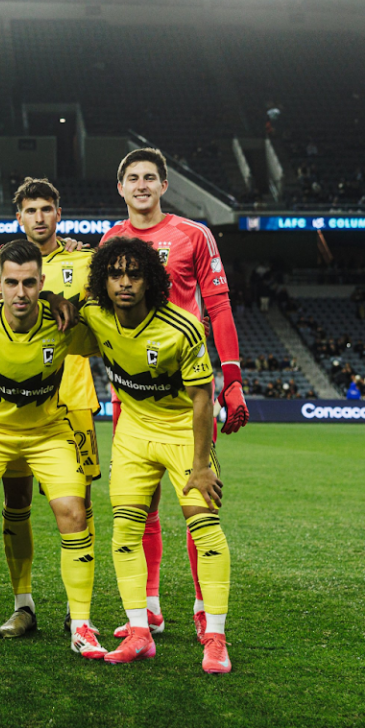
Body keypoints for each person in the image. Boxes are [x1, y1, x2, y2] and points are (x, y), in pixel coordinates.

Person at [99, 145, 246, 643]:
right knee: (139, 503)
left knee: (196, 498)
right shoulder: (111, 239)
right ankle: (150, 608)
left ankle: (205, 609)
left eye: (150, 178)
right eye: (133, 178)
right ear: (121, 188)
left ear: (164, 185)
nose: (141, 185)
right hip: (132, 391)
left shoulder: (193, 234)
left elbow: (219, 306)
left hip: (188, 390)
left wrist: (233, 380)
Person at [74, 238, 231, 672]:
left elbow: (202, 398)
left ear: (152, 281)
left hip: (182, 430)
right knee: (125, 530)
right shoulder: (95, 315)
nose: (124, 283)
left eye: (134, 274)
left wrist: (202, 465)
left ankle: (216, 638)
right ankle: (139, 632)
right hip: (133, 432)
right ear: (102, 281)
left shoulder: (183, 327)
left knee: (205, 528)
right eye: (115, 274)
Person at [0, 240, 98, 662]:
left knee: (74, 512)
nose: (21, 292)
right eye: (12, 283)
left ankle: (82, 624)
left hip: (48, 431)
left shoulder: (64, 323)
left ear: (42, 282)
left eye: (30, 283)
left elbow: (113, 331)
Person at [0, 178, 99, 639]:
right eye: (30, 209)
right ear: (19, 217)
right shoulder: (0, 263)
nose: (39, 216)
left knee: (78, 508)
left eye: (46, 208)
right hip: (18, 404)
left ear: (59, 213)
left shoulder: (84, 260)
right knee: (15, 502)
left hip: (74, 399)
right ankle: (24, 605)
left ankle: (79, 612)